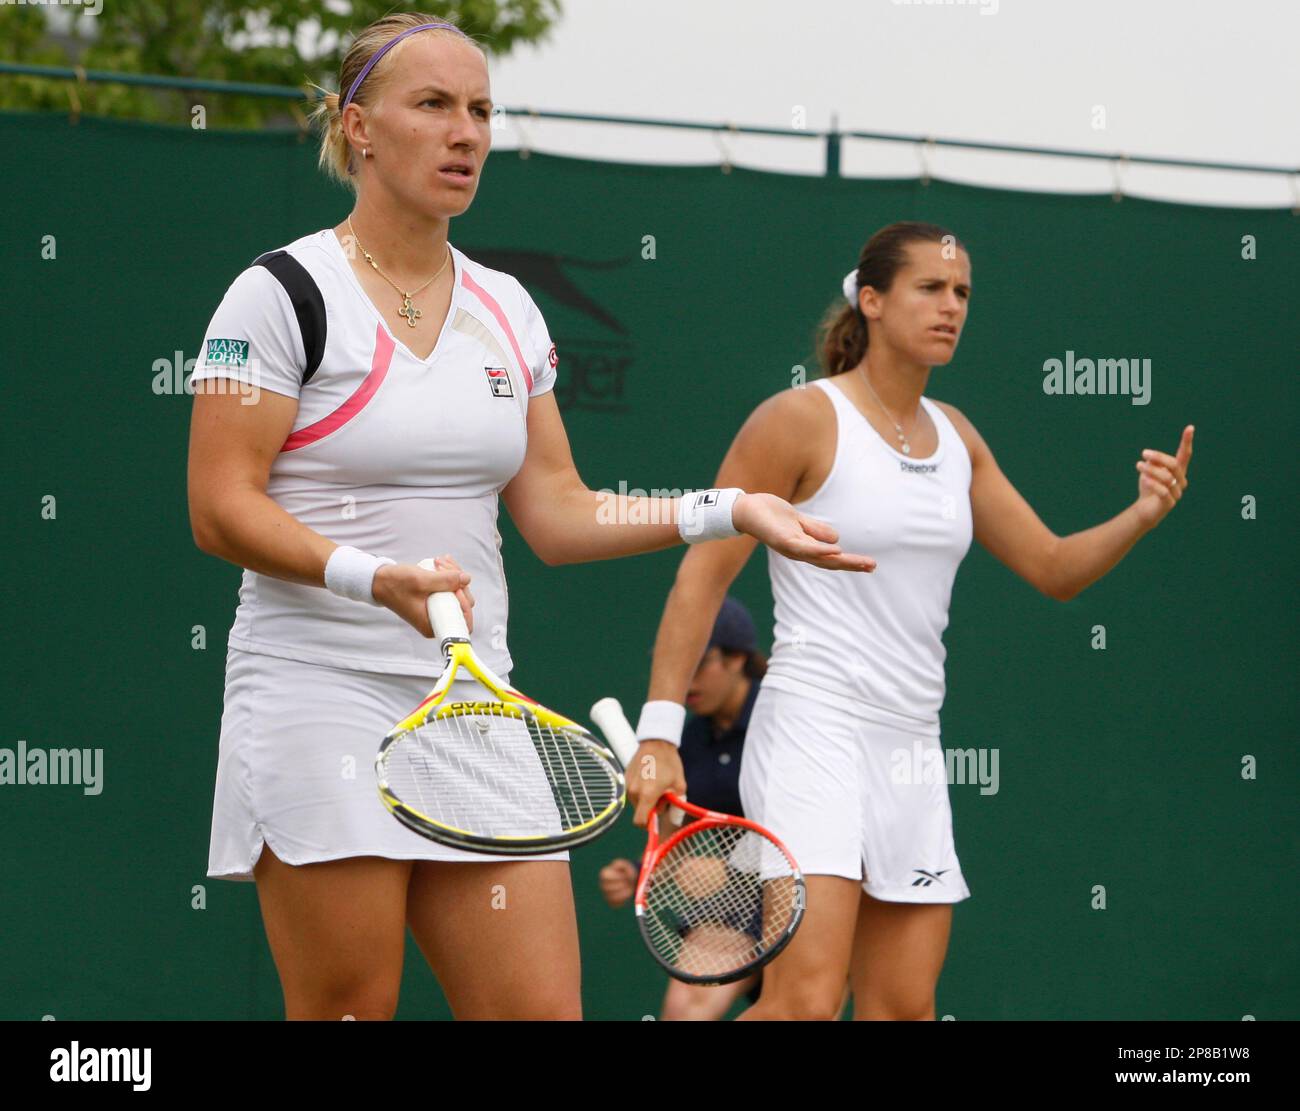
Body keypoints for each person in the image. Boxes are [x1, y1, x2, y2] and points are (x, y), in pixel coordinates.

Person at [186, 13, 873, 1021]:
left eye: (480, 110)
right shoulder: (278, 294)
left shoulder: (507, 306)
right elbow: (218, 505)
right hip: (314, 695)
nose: (465, 132)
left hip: (474, 706)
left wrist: (728, 507)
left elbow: (557, 511)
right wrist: (370, 577)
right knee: (348, 1006)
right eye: (433, 106)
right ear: (359, 126)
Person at [626, 221, 1195, 1021]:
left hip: (912, 745)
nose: (951, 306)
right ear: (872, 299)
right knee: (805, 1004)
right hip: (812, 730)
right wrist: (659, 730)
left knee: (902, 1007)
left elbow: (1054, 567)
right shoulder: (798, 419)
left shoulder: (959, 438)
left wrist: (1139, 515)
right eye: (930, 287)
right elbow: (702, 574)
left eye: (962, 292)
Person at [599, 596, 765, 1020]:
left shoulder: (782, 718)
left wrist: (731, 870)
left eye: (700, 662)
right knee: (685, 1010)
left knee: (805, 1010)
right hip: (740, 905)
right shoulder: (690, 739)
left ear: (736, 659)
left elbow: (818, 820)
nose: (685, 680)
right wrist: (643, 872)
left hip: (818, 895)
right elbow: (678, 828)